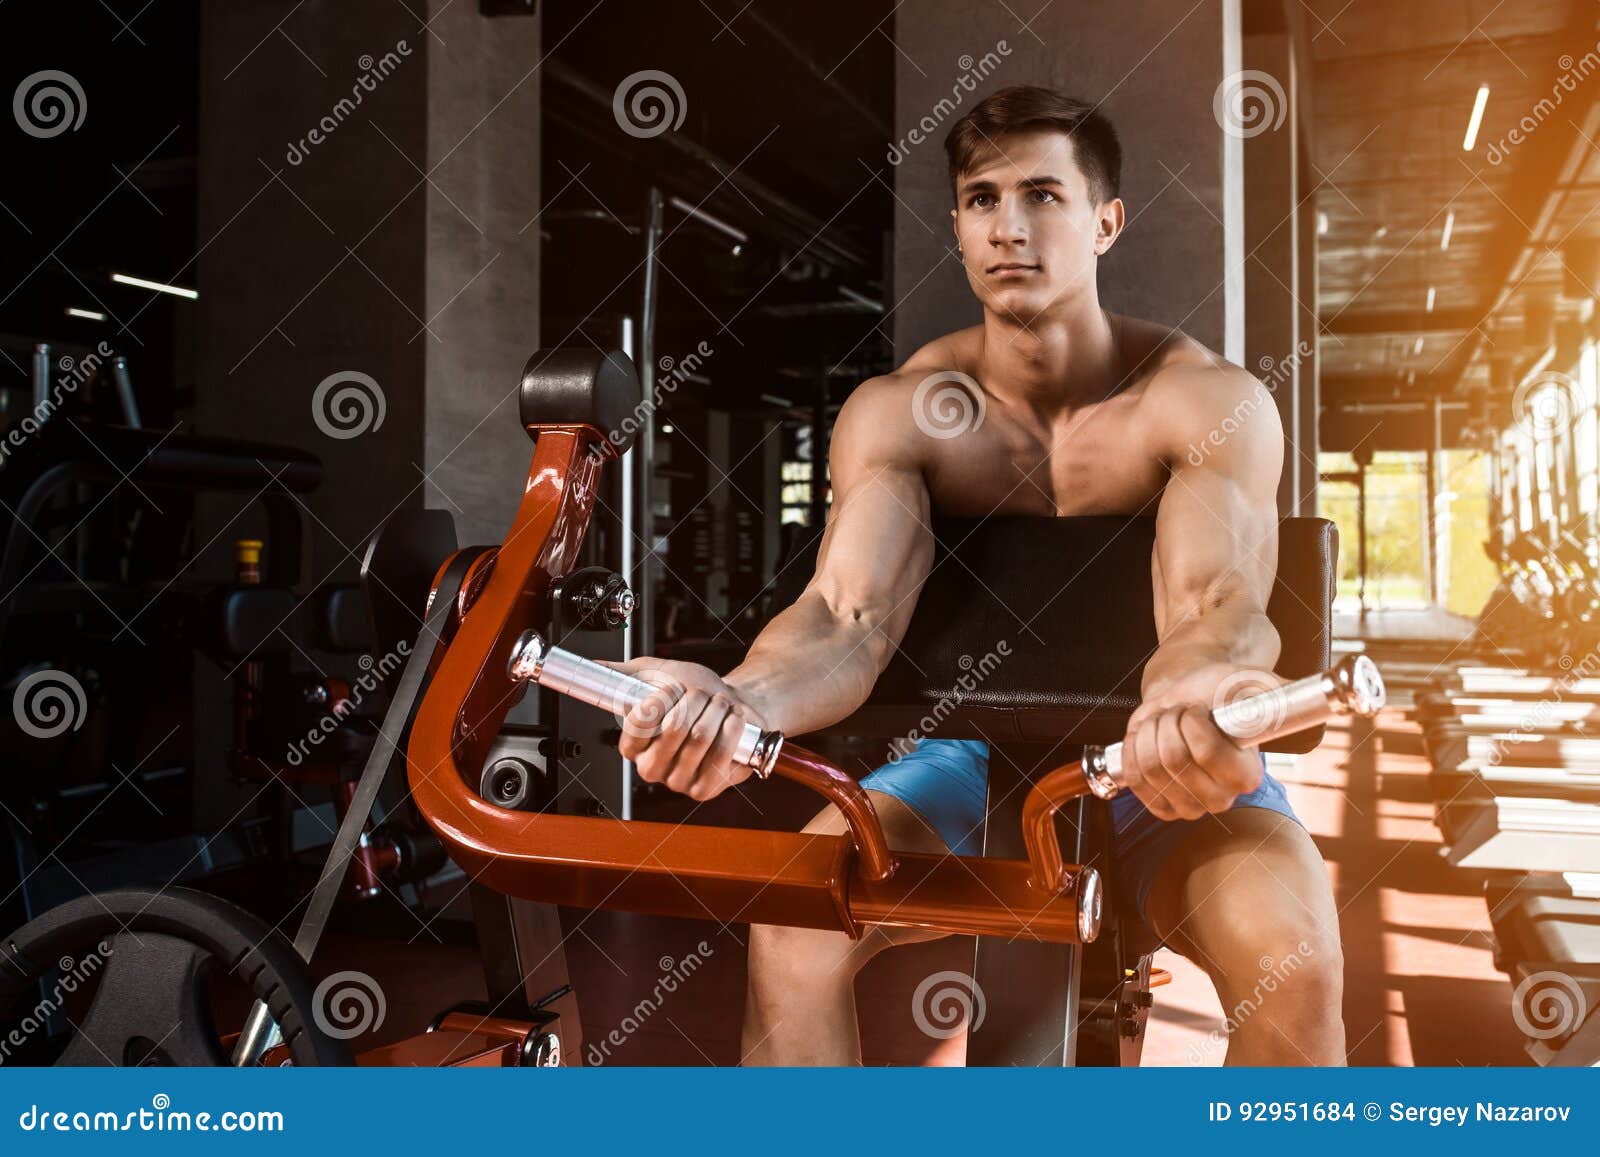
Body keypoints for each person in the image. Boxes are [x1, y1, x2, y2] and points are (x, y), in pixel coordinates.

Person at [613, 85, 1343, 1066]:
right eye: (981, 197)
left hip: (1161, 771)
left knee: (1293, 960)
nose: (1010, 226)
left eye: (1043, 194)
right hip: (972, 764)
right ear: (956, 222)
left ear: (1105, 221)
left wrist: (1190, 695)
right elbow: (844, 615)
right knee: (793, 924)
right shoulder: (903, 411)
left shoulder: (1202, 400)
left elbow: (1216, 604)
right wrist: (733, 699)